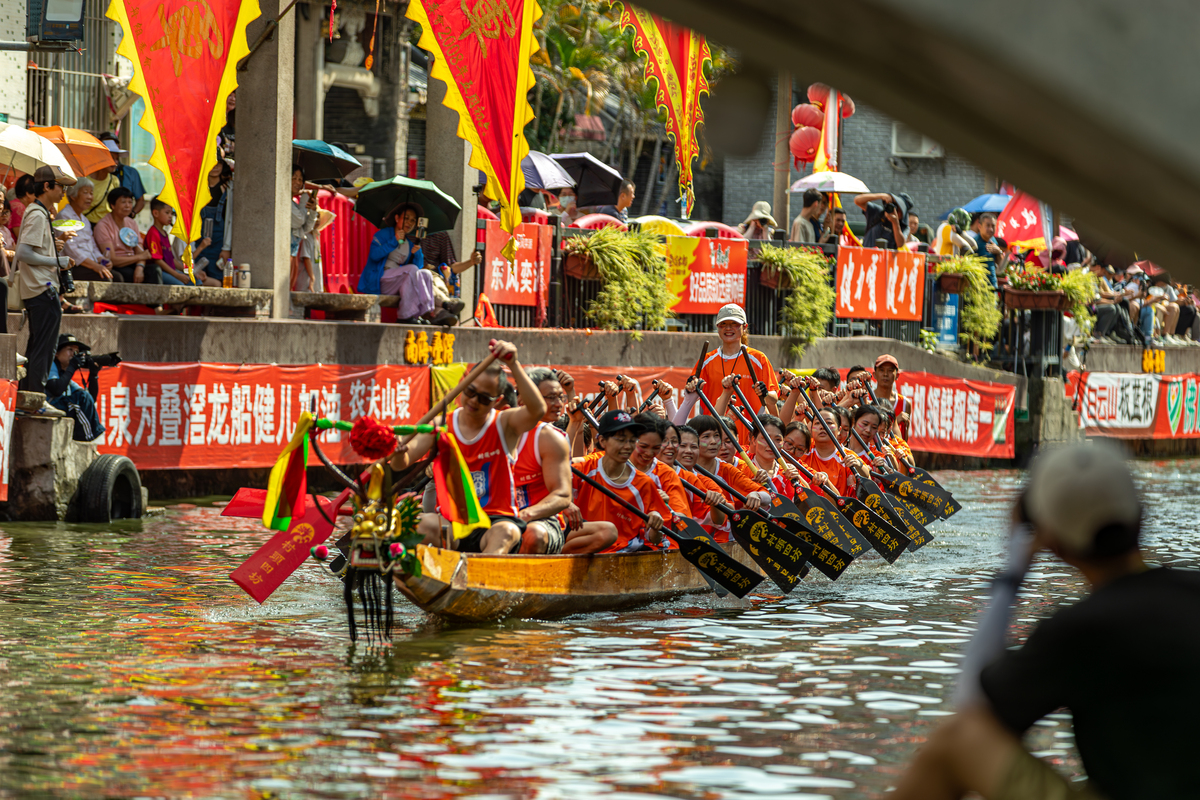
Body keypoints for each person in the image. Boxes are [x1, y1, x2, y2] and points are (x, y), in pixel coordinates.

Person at [891, 442, 1200, 800]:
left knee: (956, 742)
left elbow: (973, 707)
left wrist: (1013, 572)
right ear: (1141, 515)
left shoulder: (1077, 632)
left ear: (1052, 543)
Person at [392, 340, 546, 554]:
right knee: (415, 524)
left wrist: (514, 364)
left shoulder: (505, 424)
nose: (474, 401)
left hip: (494, 523)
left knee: (507, 532)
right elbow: (402, 463)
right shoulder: (440, 425)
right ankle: (422, 575)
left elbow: (538, 410)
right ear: (464, 385)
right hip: (452, 523)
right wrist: (398, 452)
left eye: (484, 398)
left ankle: (483, 581)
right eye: (470, 392)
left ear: (497, 400)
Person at [14, 165, 75, 412]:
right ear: (47, 186)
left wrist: (53, 248)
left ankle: (29, 399)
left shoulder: (40, 212)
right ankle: (36, 400)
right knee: (44, 346)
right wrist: (56, 260)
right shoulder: (38, 214)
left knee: (38, 345)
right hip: (41, 289)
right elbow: (23, 253)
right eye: (61, 186)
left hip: (41, 288)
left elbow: (33, 250)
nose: (63, 192)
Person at [569, 410, 667, 552]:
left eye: (632, 440)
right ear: (602, 441)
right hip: (583, 546)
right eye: (621, 440)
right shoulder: (583, 470)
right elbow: (557, 466)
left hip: (622, 557)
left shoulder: (644, 483)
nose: (627, 446)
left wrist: (656, 525)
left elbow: (655, 539)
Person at [359, 203, 458, 325]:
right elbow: (374, 255)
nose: (409, 223)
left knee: (426, 273)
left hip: (397, 280)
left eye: (413, 220)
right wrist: (393, 240)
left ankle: (409, 315)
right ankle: (428, 307)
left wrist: (417, 253)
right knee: (411, 269)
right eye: (406, 218)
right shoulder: (383, 234)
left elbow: (418, 267)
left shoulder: (409, 242)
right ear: (396, 218)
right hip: (381, 281)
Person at [698, 304, 780, 446]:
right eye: (723, 324)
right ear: (717, 327)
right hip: (715, 442)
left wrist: (765, 393)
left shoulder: (758, 359)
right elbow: (692, 394)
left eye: (734, 324)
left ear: (744, 327)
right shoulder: (706, 361)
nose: (728, 328)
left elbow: (773, 399)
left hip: (751, 442)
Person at [513, 368, 573, 555]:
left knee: (532, 534)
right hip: (499, 514)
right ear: (523, 398)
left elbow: (563, 495)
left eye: (560, 397)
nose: (558, 404)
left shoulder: (551, 437)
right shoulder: (497, 426)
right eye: (551, 398)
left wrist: (524, 515)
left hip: (541, 520)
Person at [46, 334, 113, 441]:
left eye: (76, 352)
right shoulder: (50, 365)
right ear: (56, 353)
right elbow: (56, 389)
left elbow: (90, 399)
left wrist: (93, 375)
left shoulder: (64, 373)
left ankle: (84, 438)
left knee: (83, 398)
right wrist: (72, 366)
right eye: (70, 350)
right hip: (46, 406)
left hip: (58, 406)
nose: (74, 355)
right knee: (79, 399)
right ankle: (86, 439)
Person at [93, 187, 162, 284]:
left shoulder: (132, 223)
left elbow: (141, 251)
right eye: (123, 202)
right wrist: (139, 258)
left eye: (130, 202)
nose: (128, 206)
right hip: (117, 265)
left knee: (154, 270)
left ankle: (157, 299)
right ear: (112, 205)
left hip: (134, 264)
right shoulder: (102, 226)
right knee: (127, 275)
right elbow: (112, 258)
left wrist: (140, 267)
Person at [146, 197, 217, 286]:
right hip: (161, 272)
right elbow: (158, 260)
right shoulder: (153, 233)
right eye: (167, 213)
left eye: (171, 213)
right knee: (182, 286)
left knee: (197, 281)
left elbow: (171, 259)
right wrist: (177, 275)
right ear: (155, 213)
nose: (170, 216)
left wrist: (187, 272)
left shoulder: (164, 233)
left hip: (172, 271)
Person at [58, 178, 114, 282]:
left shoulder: (85, 220)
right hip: (73, 266)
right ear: (73, 196)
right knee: (106, 279)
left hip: (90, 264)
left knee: (117, 276)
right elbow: (71, 250)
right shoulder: (64, 216)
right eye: (85, 193)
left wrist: (102, 260)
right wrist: (95, 266)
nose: (90, 197)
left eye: (91, 193)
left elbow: (93, 246)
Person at [194, 156, 234, 280]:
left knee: (218, 280)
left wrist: (226, 248)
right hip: (199, 243)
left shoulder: (228, 188)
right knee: (197, 280)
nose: (215, 167)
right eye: (212, 163)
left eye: (219, 163)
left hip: (219, 245)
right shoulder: (198, 187)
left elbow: (230, 220)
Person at [97, 133, 146, 216]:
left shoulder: (130, 173)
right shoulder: (90, 177)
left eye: (115, 158)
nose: (114, 162)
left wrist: (131, 214)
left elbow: (140, 200)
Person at [290, 165, 319, 291]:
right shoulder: (284, 201)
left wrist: (312, 210)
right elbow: (299, 221)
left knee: (288, 291)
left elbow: (306, 228)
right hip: (284, 254)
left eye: (300, 179)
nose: (298, 182)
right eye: (294, 178)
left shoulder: (295, 205)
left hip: (293, 254)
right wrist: (303, 202)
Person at [871, 354, 910, 438]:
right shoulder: (866, 398)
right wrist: (895, 422)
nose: (885, 374)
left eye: (890, 370)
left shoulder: (904, 403)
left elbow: (904, 440)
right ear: (874, 374)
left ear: (897, 375)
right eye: (881, 370)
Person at [968, 212, 1006, 288]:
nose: (991, 229)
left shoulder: (993, 240)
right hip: (979, 288)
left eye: (993, 226)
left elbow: (1000, 268)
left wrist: (999, 252)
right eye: (987, 225)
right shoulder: (974, 244)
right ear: (979, 226)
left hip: (993, 285)